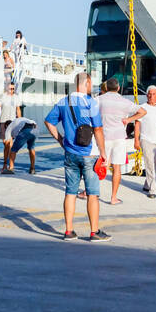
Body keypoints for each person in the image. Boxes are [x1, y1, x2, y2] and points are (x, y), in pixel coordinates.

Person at [44, 71, 109, 241]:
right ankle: (94, 232)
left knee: (70, 193)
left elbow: (48, 122)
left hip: (70, 154)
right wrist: (103, 153)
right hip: (90, 155)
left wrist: (60, 140)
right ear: (86, 83)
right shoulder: (90, 103)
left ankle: (69, 231)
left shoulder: (63, 102)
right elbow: (98, 129)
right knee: (92, 194)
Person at [95, 79, 146, 206]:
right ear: (118, 88)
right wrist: (129, 119)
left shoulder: (99, 99)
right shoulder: (125, 102)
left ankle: (91, 193)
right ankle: (113, 198)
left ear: (106, 88)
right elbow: (143, 112)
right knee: (117, 168)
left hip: (104, 137)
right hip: (119, 138)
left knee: (102, 165)